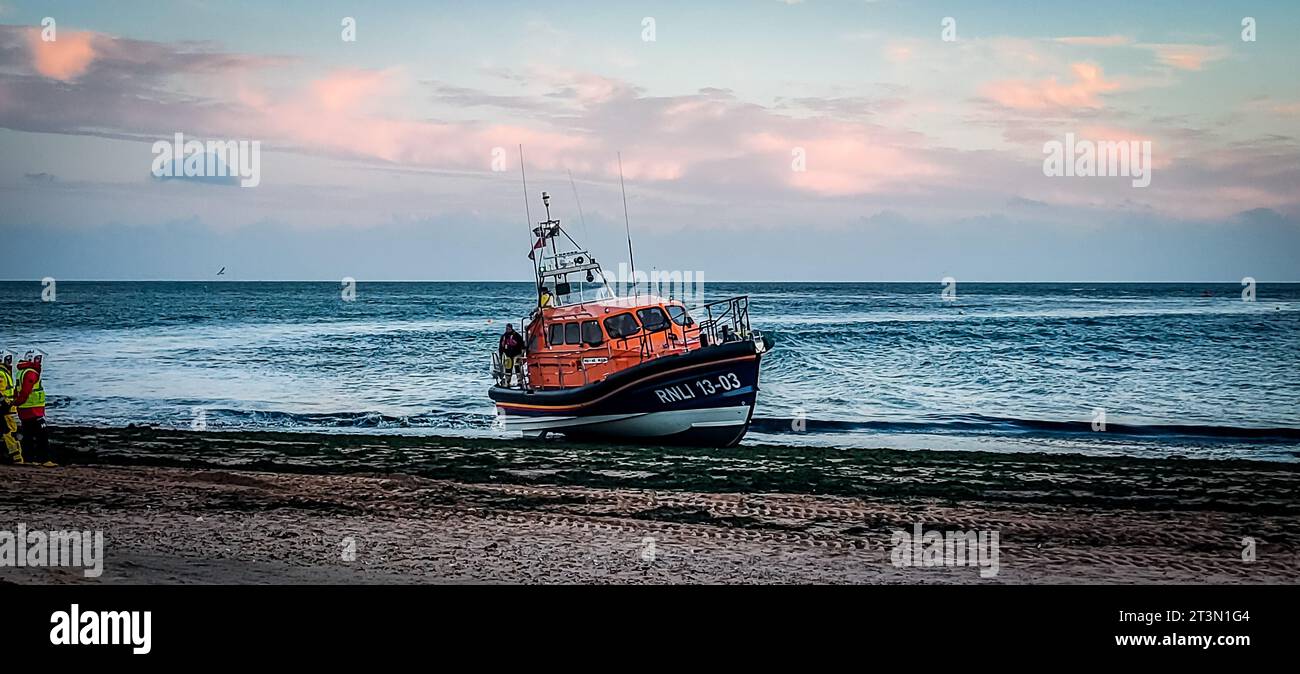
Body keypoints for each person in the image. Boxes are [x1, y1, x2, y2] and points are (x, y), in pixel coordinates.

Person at [13, 350, 52, 467]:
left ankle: (29, 458)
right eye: (38, 359)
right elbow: (25, 392)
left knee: (28, 434)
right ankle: (44, 459)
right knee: (42, 434)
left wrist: (16, 403)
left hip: (26, 409)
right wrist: (19, 402)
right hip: (33, 410)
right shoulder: (31, 373)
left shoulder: (22, 372)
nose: (40, 362)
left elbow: (17, 390)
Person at [0, 351, 21, 464]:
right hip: (4, 409)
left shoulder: (5, 372)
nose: (10, 362)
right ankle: (16, 458)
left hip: (7, 408)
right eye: (8, 359)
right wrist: (5, 402)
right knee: (9, 433)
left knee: (8, 432)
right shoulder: (2, 373)